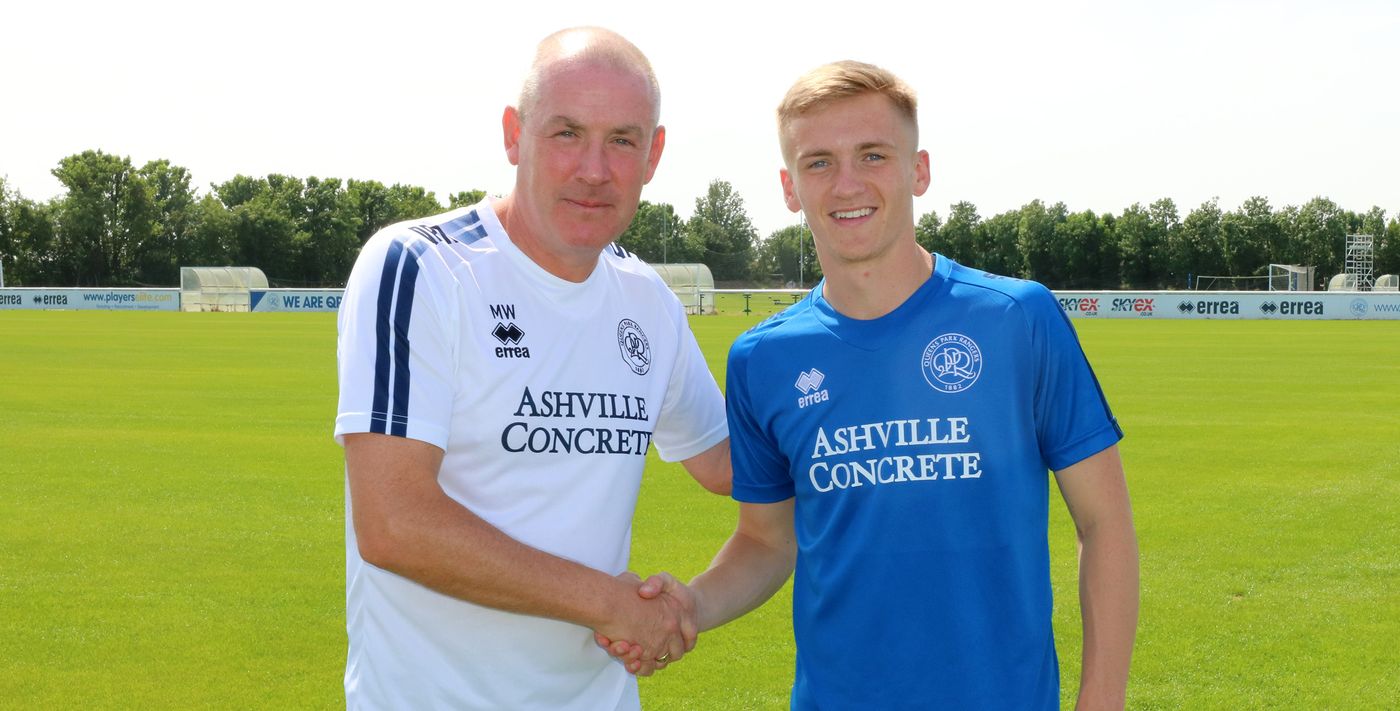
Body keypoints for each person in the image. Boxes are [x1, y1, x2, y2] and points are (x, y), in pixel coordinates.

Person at [608, 60, 1140, 709]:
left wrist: (1102, 697)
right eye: (819, 162)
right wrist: (691, 604)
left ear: (919, 170)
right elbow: (766, 539)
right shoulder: (762, 358)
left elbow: (1104, 522)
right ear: (789, 186)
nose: (847, 183)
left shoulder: (1016, 318)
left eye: (873, 155)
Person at [333, 27, 727, 710]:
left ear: (654, 154)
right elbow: (394, 522)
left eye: (623, 140)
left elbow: (731, 464)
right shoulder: (423, 267)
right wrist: (611, 603)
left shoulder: (648, 302)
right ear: (515, 135)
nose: (594, 170)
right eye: (567, 133)